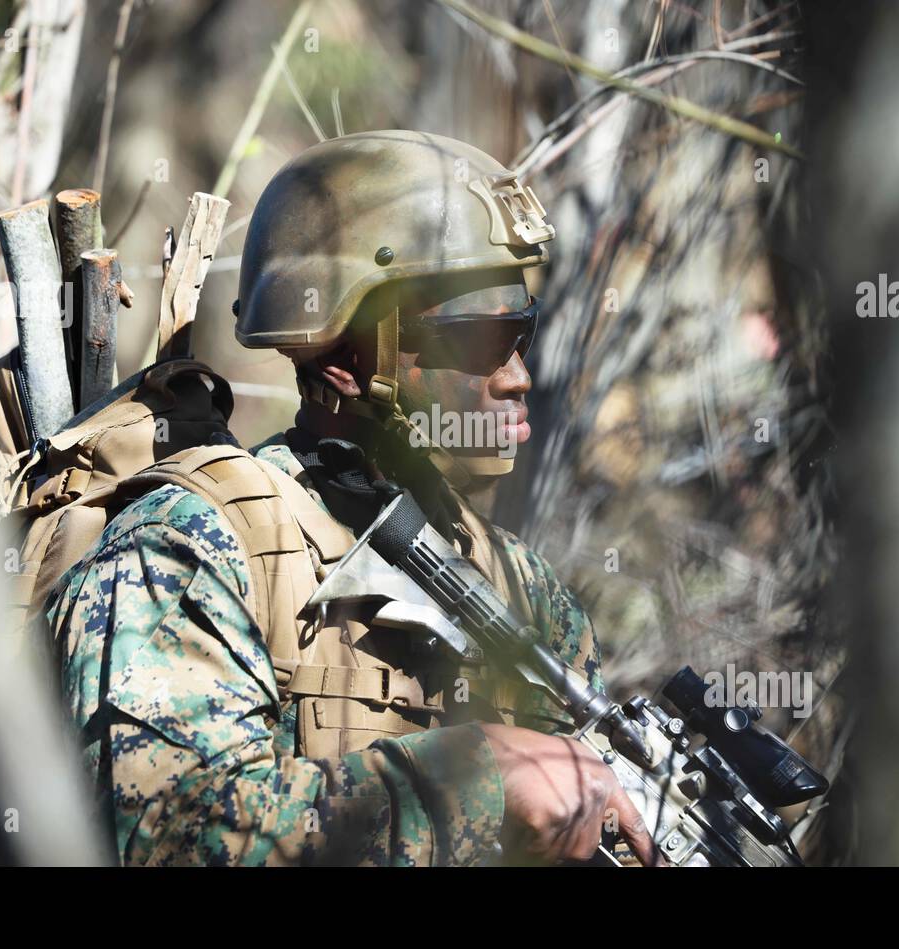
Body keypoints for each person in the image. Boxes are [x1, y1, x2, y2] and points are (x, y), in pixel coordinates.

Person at [45, 130, 657, 866]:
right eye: (482, 340)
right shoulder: (187, 548)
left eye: (521, 335)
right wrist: (478, 786)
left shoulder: (526, 593)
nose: (517, 377)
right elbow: (164, 836)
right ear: (342, 359)